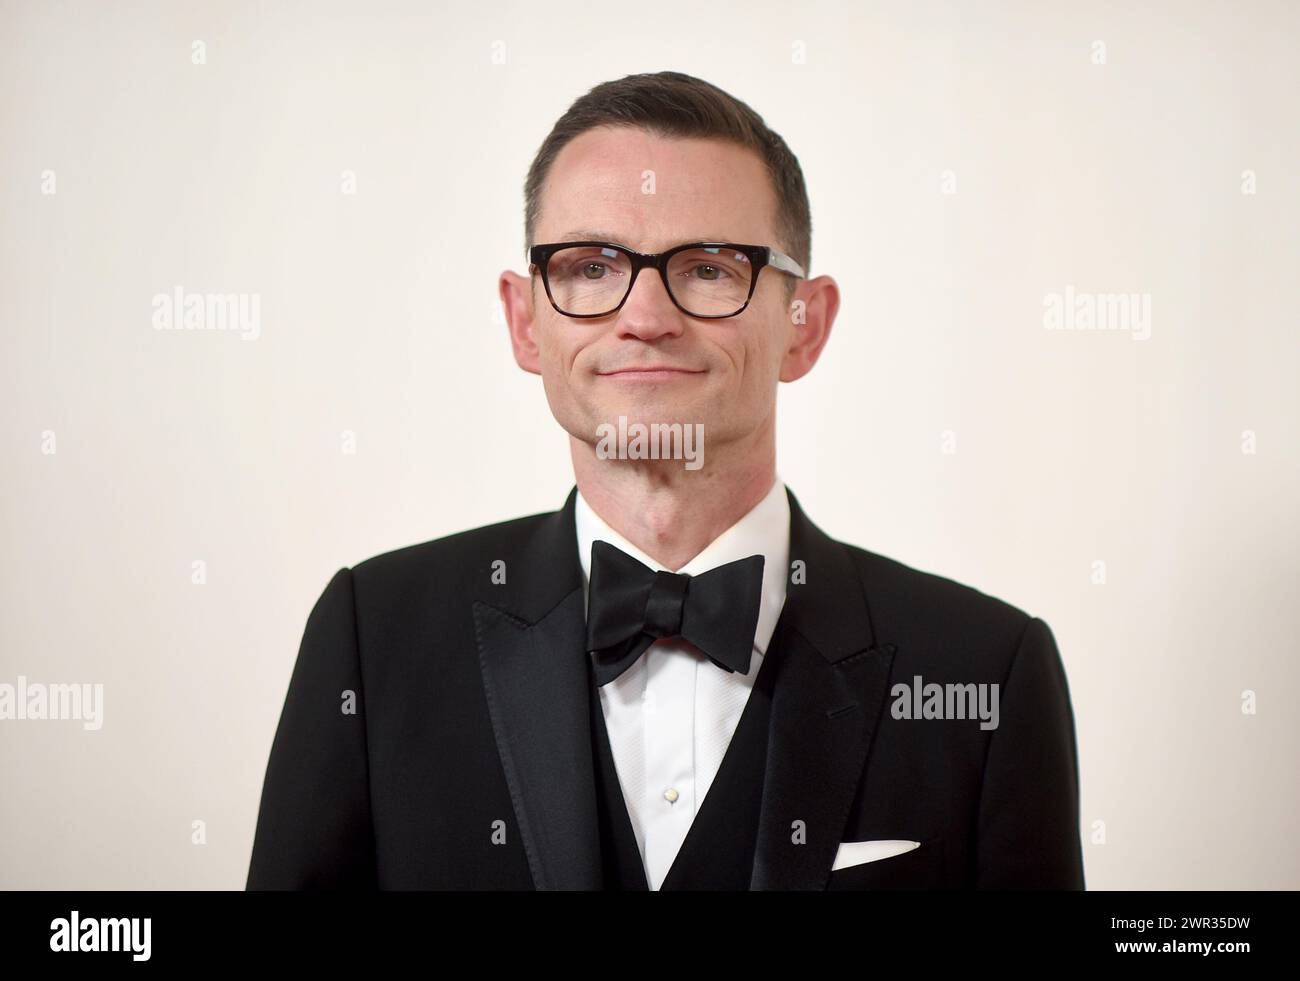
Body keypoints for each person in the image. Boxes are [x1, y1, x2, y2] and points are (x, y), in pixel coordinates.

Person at [246, 70, 1084, 890]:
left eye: (711, 268)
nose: (645, 318)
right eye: (590, 268)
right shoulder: (371, 635)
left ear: (805, 326)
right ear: (524, 321)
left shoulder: (988, 669)